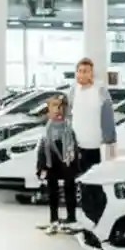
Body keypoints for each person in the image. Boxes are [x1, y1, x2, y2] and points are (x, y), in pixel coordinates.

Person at [63, 57, 117, 233]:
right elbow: (68, 114)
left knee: (93, 184)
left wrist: (110, 140)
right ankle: (72, 217)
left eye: (85, 71)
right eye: (79, 71)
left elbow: (108, 116)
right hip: (75, 144)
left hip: (94, 145)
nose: (81, 74)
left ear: (92, 73)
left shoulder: (100, 89)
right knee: (71, 181)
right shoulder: (73, 89)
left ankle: (97, 218)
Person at [35, 94, 75, 234]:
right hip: (51, 163)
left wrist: (72, 158)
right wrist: (41, 167)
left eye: (60, 106)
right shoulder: (47, 129)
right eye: (54, 106)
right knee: (53, 192)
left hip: (66, 162)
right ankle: (54, 219)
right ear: (49, 109)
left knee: (70, 188)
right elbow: (42, 149)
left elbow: (72, 146)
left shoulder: (69, 127)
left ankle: (71, 219)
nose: (58, 110)